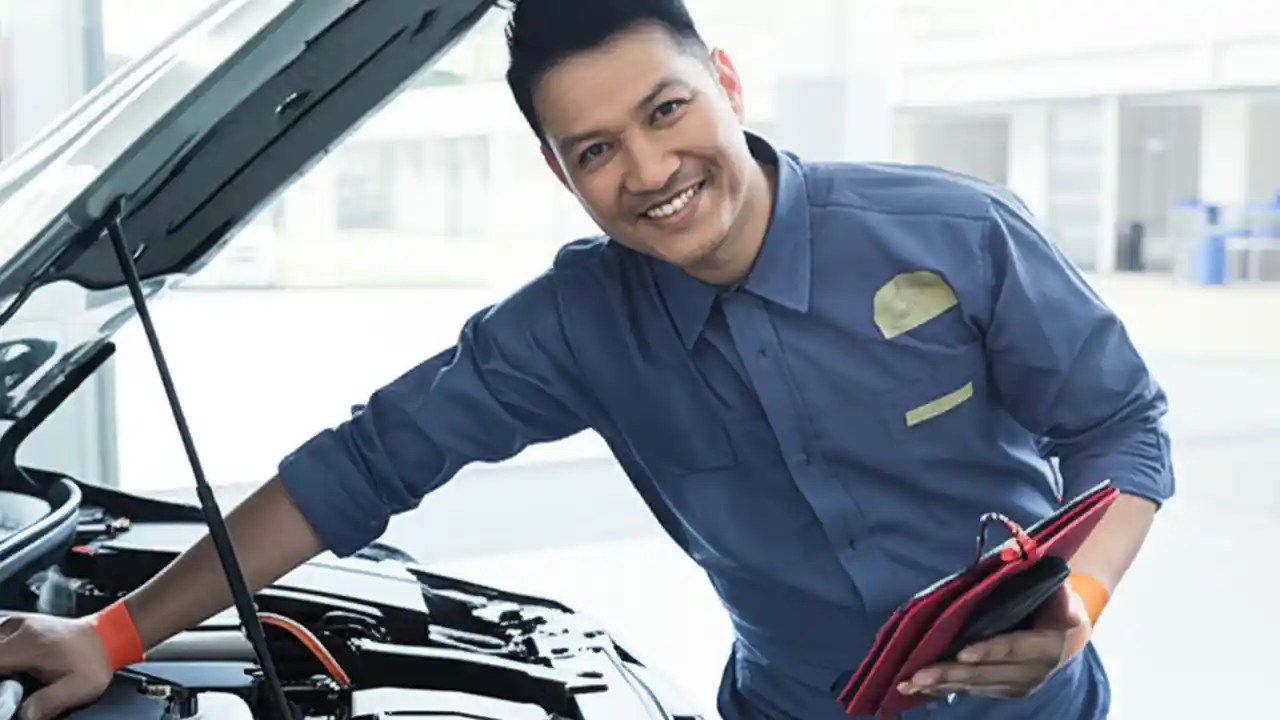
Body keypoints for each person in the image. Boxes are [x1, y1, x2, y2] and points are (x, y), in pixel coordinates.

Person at [0, 1, 1175, 718]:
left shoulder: (952, 234)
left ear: (722, 80)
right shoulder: (571, 326)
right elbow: (357, 468)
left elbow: (1120, 427)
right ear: (560, 173)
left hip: (1038, 711)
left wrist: (1075, 601)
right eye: (597, 148)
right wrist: (111, 636)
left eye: (666, 112)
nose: (649, 170)